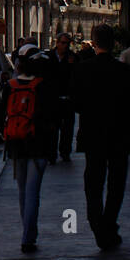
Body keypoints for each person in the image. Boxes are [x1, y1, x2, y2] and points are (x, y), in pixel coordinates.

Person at [74, 25, 130, 250]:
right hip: (119, 135)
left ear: (94, 42)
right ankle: (108, 223)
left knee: (93, 182)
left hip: (92, 135)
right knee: (116, 183)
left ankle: (97, 224)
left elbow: (76, 104)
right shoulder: (126, 72)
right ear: (114, 44)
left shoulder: (82, 70)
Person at [2, 44, 58, 253]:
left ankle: (27, 232)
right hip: (38, 144)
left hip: (16, 144)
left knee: (23, 191)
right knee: (33, 192)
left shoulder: (10, 86)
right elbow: (53, 118)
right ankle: (28, 236)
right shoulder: (43, 86)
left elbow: (2, 116)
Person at [51, 32, 77, 162]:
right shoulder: (49, 57)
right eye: (63, 43)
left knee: (67, 129)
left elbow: (76, 77)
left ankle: (65, 152)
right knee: (52, 128)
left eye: (67, 43)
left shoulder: (72, 57)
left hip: (68, 99)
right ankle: (52, 153)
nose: (65, 46)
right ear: (57, 43)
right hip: (53, 99)